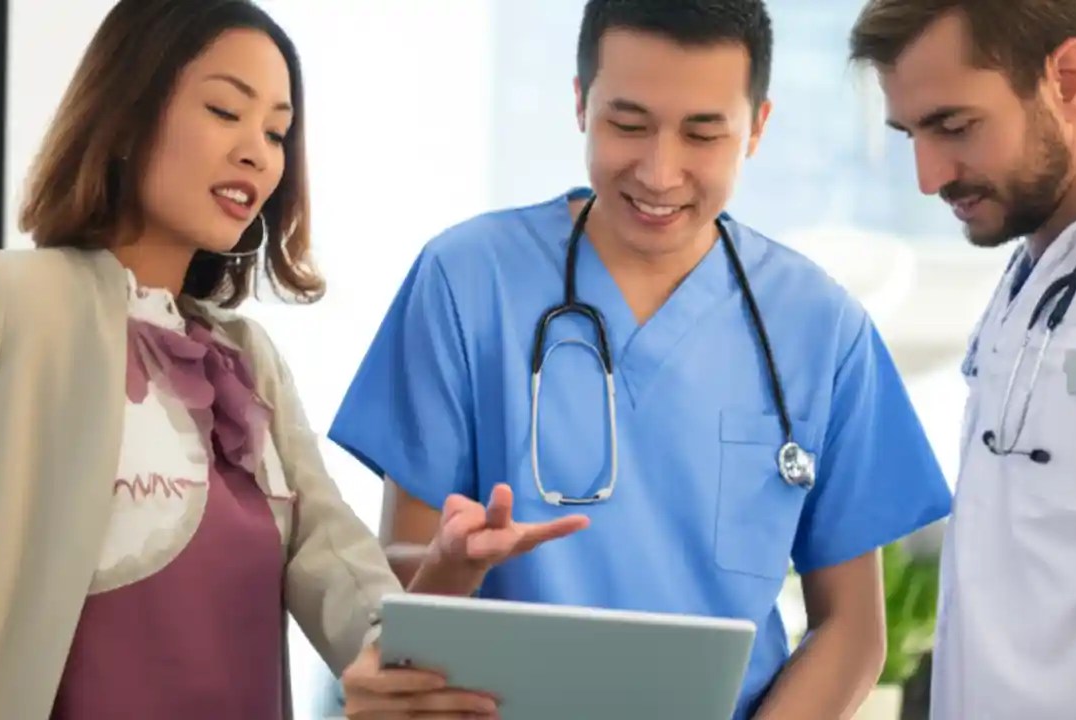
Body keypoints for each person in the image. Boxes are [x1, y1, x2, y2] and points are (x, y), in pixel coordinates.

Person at [0, 1, 588, 718]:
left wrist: (444, 572)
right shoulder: (5, 301)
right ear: (129, 113)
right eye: (226, 110)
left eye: (278, 131)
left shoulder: (249, 362)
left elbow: (344, 582)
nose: (259, 151)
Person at [328, 1, 953, 717]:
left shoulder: (822, 327)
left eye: (702, 134)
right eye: (628, 125)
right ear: (579, 103)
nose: (660, 172)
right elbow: (407, 592)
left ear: (758, 127)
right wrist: (447, 569)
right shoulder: (466, 282)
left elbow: (851, 628)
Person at [849, 1, 1076, 717]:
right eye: (909, 134)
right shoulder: (1036, 266)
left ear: (1070, 78)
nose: (929, 176)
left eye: (954, 126)